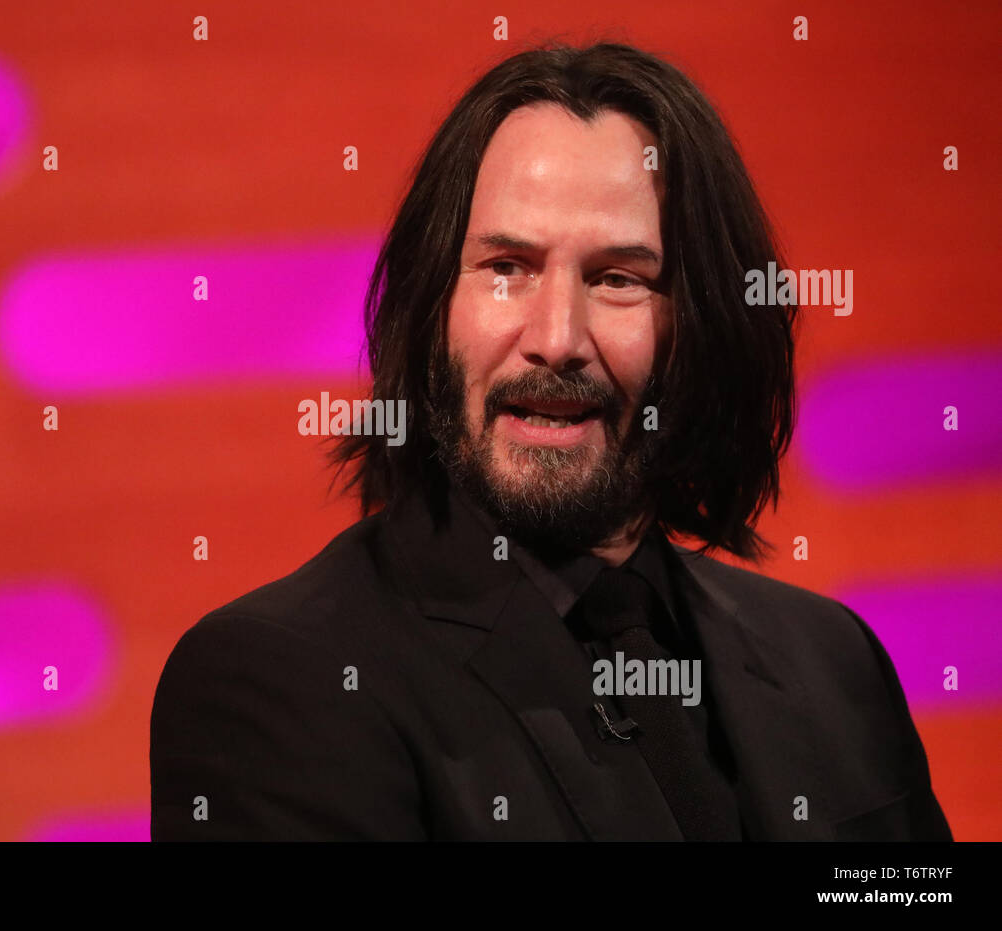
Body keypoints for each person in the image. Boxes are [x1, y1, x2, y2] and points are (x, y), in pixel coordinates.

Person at [148, 42, 952, 841]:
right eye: (507, 266)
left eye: (619, 278)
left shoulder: (834, 663)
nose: (557, 337)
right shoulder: (281, 684)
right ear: (433, 311)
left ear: (703, 327)